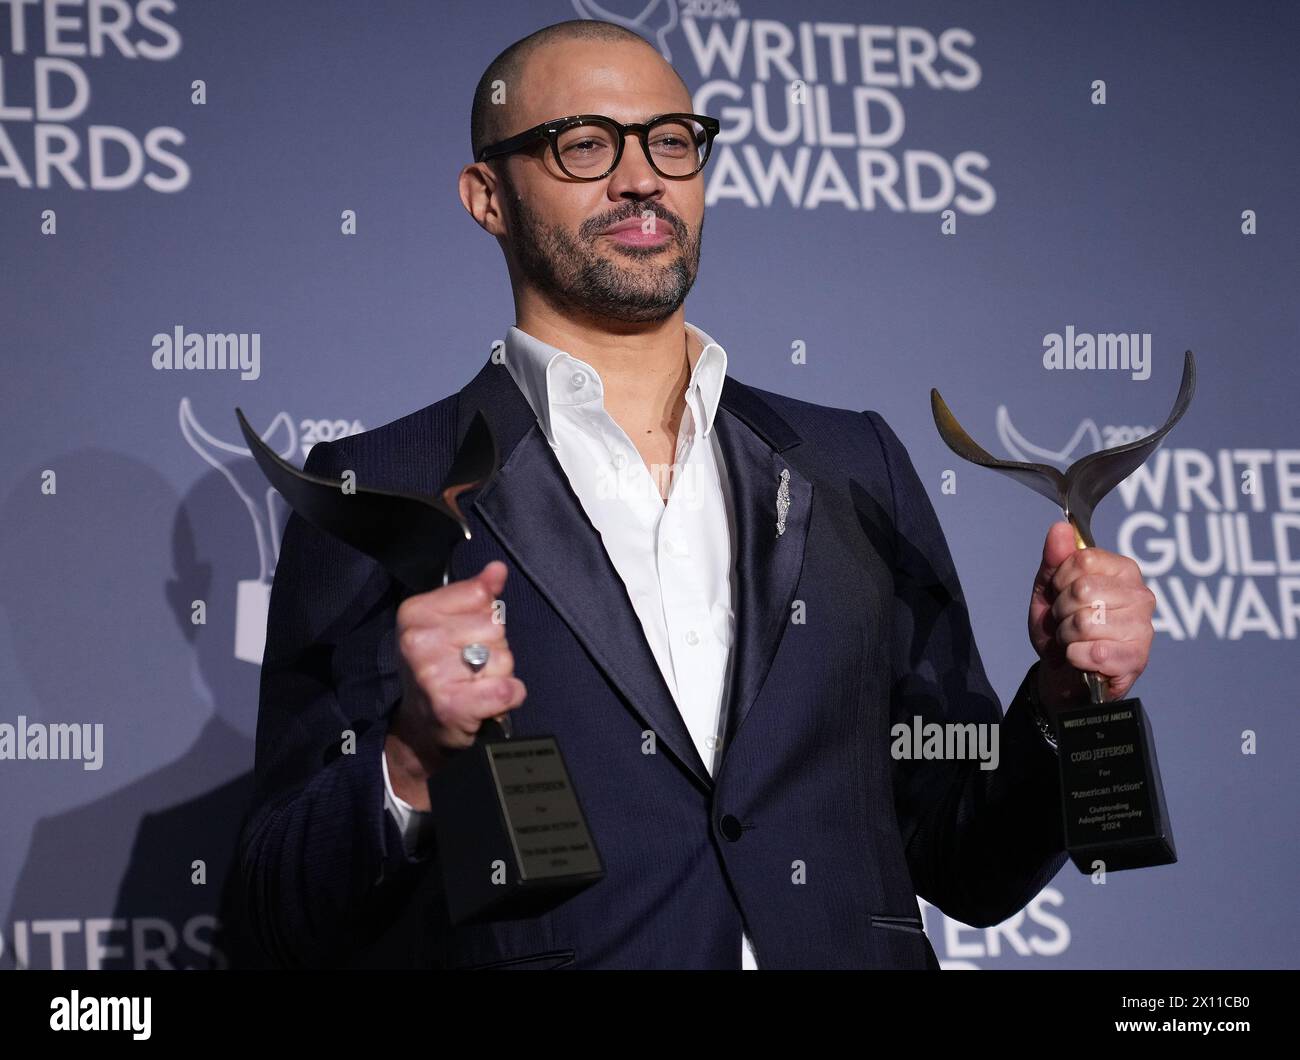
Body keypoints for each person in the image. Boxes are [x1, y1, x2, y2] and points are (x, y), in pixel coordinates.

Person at [238, 19, 1157, 970]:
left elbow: (967, 862)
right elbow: (275, 916)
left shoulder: (852, 461)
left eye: (672, 141)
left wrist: (1059, 696)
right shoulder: (378, 486)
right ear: (488, 196)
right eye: (585, 143)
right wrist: (412, 760)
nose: (642, 177)